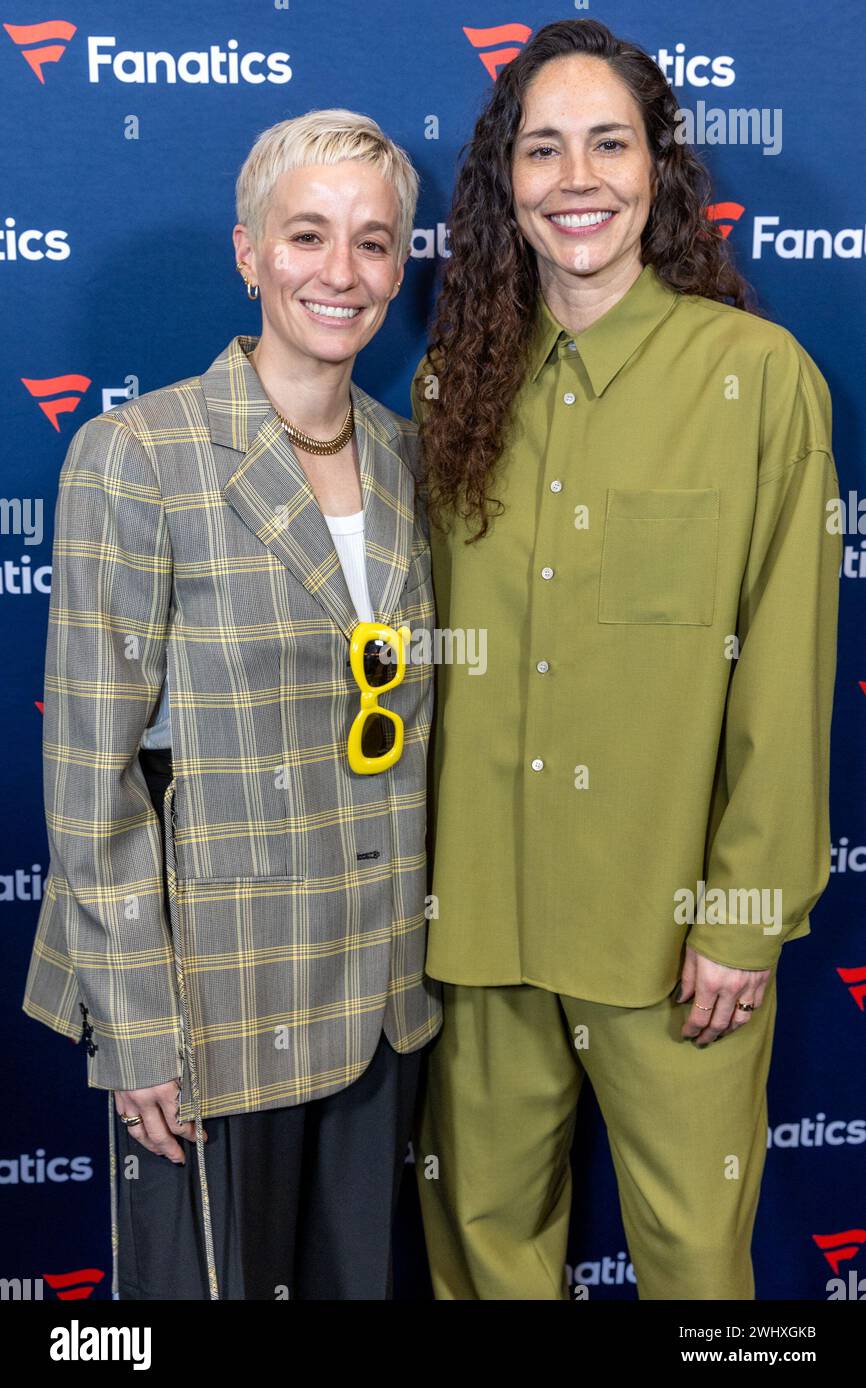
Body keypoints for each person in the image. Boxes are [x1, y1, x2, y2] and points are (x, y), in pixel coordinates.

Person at [410, 19, 841, 1300]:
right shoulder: (451, 387)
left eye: (609, 142)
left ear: (658, 167)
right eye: (542, 149)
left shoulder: (757, 380)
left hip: (672, 945)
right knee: (483, 1261)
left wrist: (744, 914)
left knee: (698, 1270)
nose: (576, 177)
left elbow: (785, 669)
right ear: (505, 182)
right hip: (477, 927)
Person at [22, 108, 441, 1300]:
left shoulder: (408, 458)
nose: (340, 271)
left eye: (372, 242)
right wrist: (139, 1025)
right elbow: (91, 772)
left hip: (376, 1000)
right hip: (212, 1003)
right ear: (249, 253)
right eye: (306, 234)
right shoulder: (138, 454)